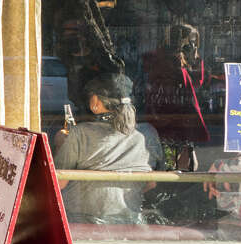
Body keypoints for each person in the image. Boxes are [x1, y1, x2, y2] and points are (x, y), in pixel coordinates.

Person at [54, 72, 162, 225]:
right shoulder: (146, 134)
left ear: (96, 102)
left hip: (80, 222)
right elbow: (151, 183)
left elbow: (59, 182)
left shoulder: (80, 134)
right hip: (129, 220)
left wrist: (60, 145)